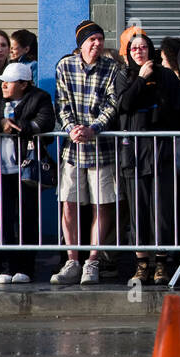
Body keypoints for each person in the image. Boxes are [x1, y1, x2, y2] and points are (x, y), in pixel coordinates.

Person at [116, 32, 180, 287]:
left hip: (160, 151)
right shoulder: (124, 76)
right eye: (134, 48)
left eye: (143, 47)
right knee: (139, 210)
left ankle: (161, 264)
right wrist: (141, 78)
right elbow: (123, 105)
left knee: (161, 211)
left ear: (151, 51)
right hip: (133, 153)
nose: (139, 52)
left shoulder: (166, 76)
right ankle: (142, 265)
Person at [53, 21, 123, 286]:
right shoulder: (65, 66)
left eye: (100, 39)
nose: (97, 44)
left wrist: (94, 128)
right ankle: (72, 260)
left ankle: (92, 261)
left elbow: (112, 103)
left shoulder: (111, 68)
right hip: (73, 148)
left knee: (101, 204)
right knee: (69, 204)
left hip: (101, 147)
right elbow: (61, 102)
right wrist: (71, 128)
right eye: (91, 39)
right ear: (81, 43)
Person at [0, 62, 55, 285]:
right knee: (2, 218)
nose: (3, 86)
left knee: (27, 217)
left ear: (23, 84)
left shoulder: (39, 97)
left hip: (25, 167)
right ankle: (7, 266)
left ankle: (25, 268)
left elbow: (45, 122)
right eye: (2, 82)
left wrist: (18, 126)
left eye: (8, 82)